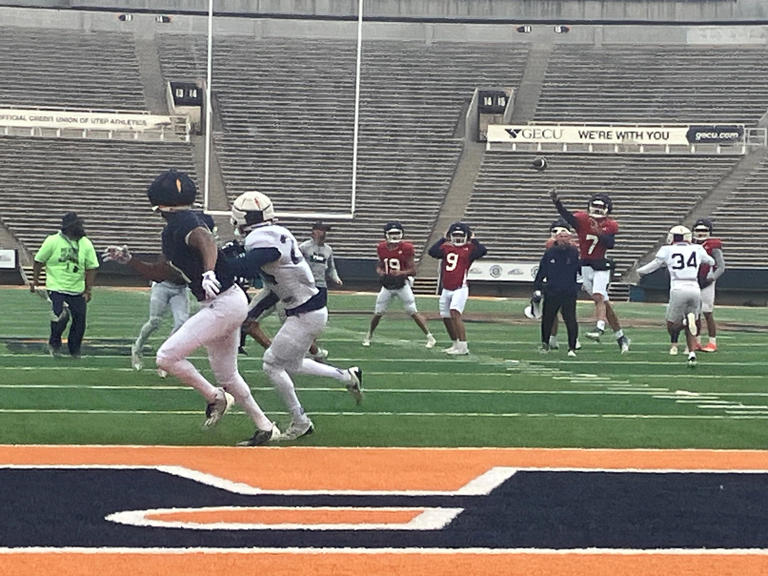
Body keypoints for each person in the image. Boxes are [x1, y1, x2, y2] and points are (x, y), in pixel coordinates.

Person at [104, 169, 279, 446]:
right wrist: (131, 261)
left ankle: (215, 398)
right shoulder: (183, 224)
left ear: (158, 202)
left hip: (223, 302)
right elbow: (163, 272)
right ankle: (265, 426)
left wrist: (209, 272)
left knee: (166, 357)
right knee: (228, 375)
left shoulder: (183, 223)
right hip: (226, 301)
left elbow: (204, 239)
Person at [228, 191, 363, 441]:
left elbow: (256, 261)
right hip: (306, 307)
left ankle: (301, 421)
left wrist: (218, 262)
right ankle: (346, 376)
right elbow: (276, 285)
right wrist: (252, 314)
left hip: (305, 310)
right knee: (292, 364)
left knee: (272, 364)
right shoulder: (277, 232)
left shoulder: (260, 239)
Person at [549, 188, 631, 354]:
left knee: (598, 296)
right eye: (595, 205)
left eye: (601, 206)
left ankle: (599, 327)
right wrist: (557, 202)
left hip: (601, 264)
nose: (597, 209)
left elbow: (610, 244)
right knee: (603, 302)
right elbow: (568, 217)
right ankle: (621, 336)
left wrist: (598, 231)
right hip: (585, 264)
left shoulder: (610, 225)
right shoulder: (582, 219)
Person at [636, 225, 715, 368]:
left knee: (672, 325)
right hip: (695, 288)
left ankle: (684, 324)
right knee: (693, 320)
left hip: (678, 288)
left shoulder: (667, 250)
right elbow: (711, 261)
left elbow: (655, 264)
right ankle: (691, 353)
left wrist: (640, 271)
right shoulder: (697, 249)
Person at [31, 212, 99, 358]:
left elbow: (92, 267)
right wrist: (35, 281)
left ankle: (74, 350)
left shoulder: (86, 243)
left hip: (77, 289)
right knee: (61, 317)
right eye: (77, 225)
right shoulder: (52, 241)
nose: (80, 228)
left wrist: (88, 290)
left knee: (80, 321)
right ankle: (54, 344)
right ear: (68, 227)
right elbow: (38, 261)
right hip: (56, 287)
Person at [363, 221, 436, 349]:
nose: (395, 236)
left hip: (402, 284)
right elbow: (380, 264)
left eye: (397, 233)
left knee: (412, 310)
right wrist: (380, 271)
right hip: (387, 284)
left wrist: (400, 273)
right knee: (378, 312)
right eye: (392, 233)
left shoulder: (407, 248)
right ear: (386, 234)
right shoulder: (381, 247)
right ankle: (369, 335)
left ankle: (430, 337)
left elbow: (413, 270)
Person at [427, 221, 487, 355]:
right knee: (446, 317)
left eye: (461, 235)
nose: (458, 238)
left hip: (460, 287)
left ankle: (464, 345)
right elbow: (432, 252)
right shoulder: (446, 247)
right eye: (455, 235)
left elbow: (483, 251)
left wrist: (474, 239)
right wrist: (443, 238)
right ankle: (455, 343)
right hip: (446, 288)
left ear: (467, 236)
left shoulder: (469, 248)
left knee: (455, 313)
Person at [534, 220, 581, 356]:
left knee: (570, 319)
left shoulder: (574, 253)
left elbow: (580, 270)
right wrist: (537, 288)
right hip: (552, 290)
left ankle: (572, 347)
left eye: (565, 237)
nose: (563, 240)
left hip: (568, 291)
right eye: (560, 237)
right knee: (548, 319)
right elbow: (541, 272)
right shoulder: (550, 253)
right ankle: (545, 344)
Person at [298, 221, 343, 360]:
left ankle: (312, 346)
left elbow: (331, 268)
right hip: (306, 286)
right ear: (314, 231)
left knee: (317, 319)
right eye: (321, 230)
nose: (324, 234)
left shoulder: (328, 250)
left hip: (321, 287)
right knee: (305, 317)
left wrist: (336, 278)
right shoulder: (304, 248)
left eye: (325, 231)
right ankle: (308, 347)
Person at [692, 218, 725, 352]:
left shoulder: (713, 246)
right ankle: (697, 341)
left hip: (707, 281)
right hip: (693, 280)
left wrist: (712, 278)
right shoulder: (690, 244)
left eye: (703, 230)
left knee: (707, 312)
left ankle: (712, 342)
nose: (700, 233)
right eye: (698, 230)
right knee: (695, 313)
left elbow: (721, 266)